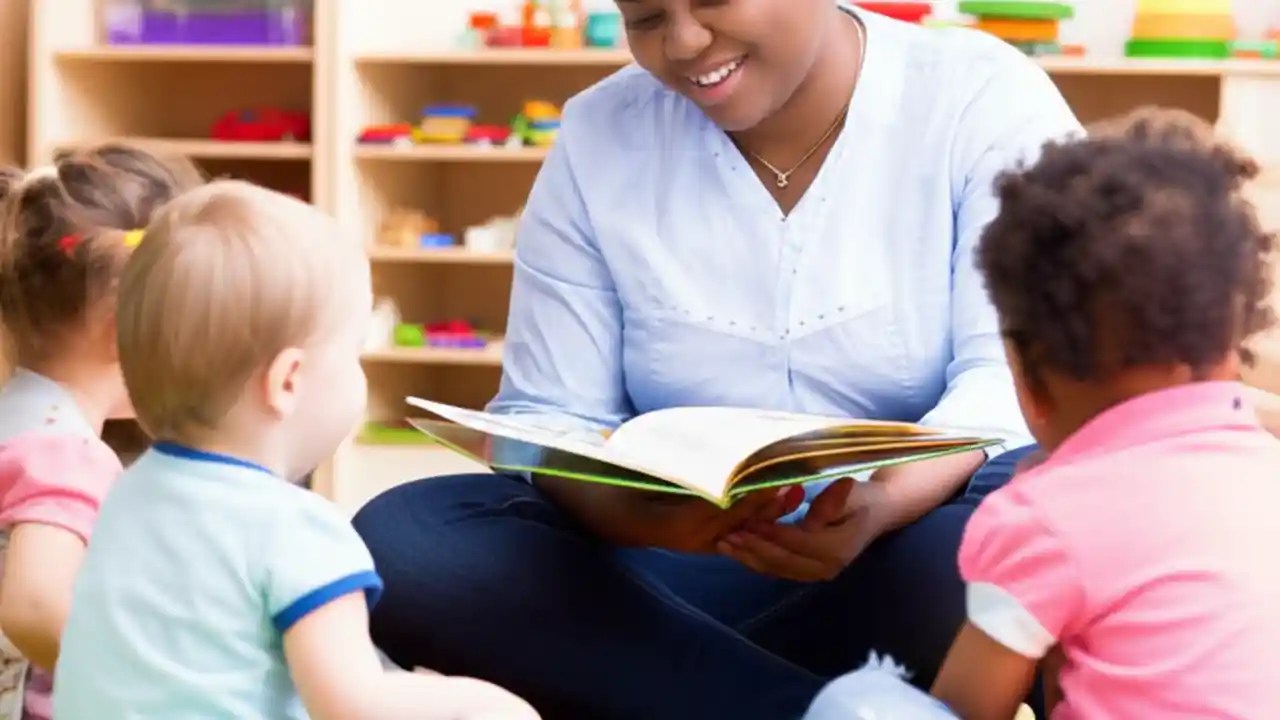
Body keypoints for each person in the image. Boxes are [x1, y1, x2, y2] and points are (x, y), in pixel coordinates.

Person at [353, 3, 1079, 718]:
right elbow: (550, 414)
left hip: (900, 553)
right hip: (669, 569)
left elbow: (1012, 379)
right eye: (645, 18)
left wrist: (881, 503)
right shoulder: (599, 134)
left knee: (1032, 521)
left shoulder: (981, 96)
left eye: (711, 0)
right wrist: (653, 521)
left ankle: (677, 691)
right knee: (409, 540)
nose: (685, 42)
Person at [52, 181, 538, 720]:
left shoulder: (125, 495)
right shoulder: (298, 532)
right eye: (354, 353)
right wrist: (482, 703)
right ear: (289, 380)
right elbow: (353, 705)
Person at [928, 109, 1280, 717]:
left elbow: (962, 709)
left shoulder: (1040, 519)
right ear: (1233, 339)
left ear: (1027, 376)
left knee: (862, 701)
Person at [0, 145, 203, 720]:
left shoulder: (19, 416)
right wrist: (142, 675)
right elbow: (36, 606)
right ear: (125, 330)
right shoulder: (67, 455)